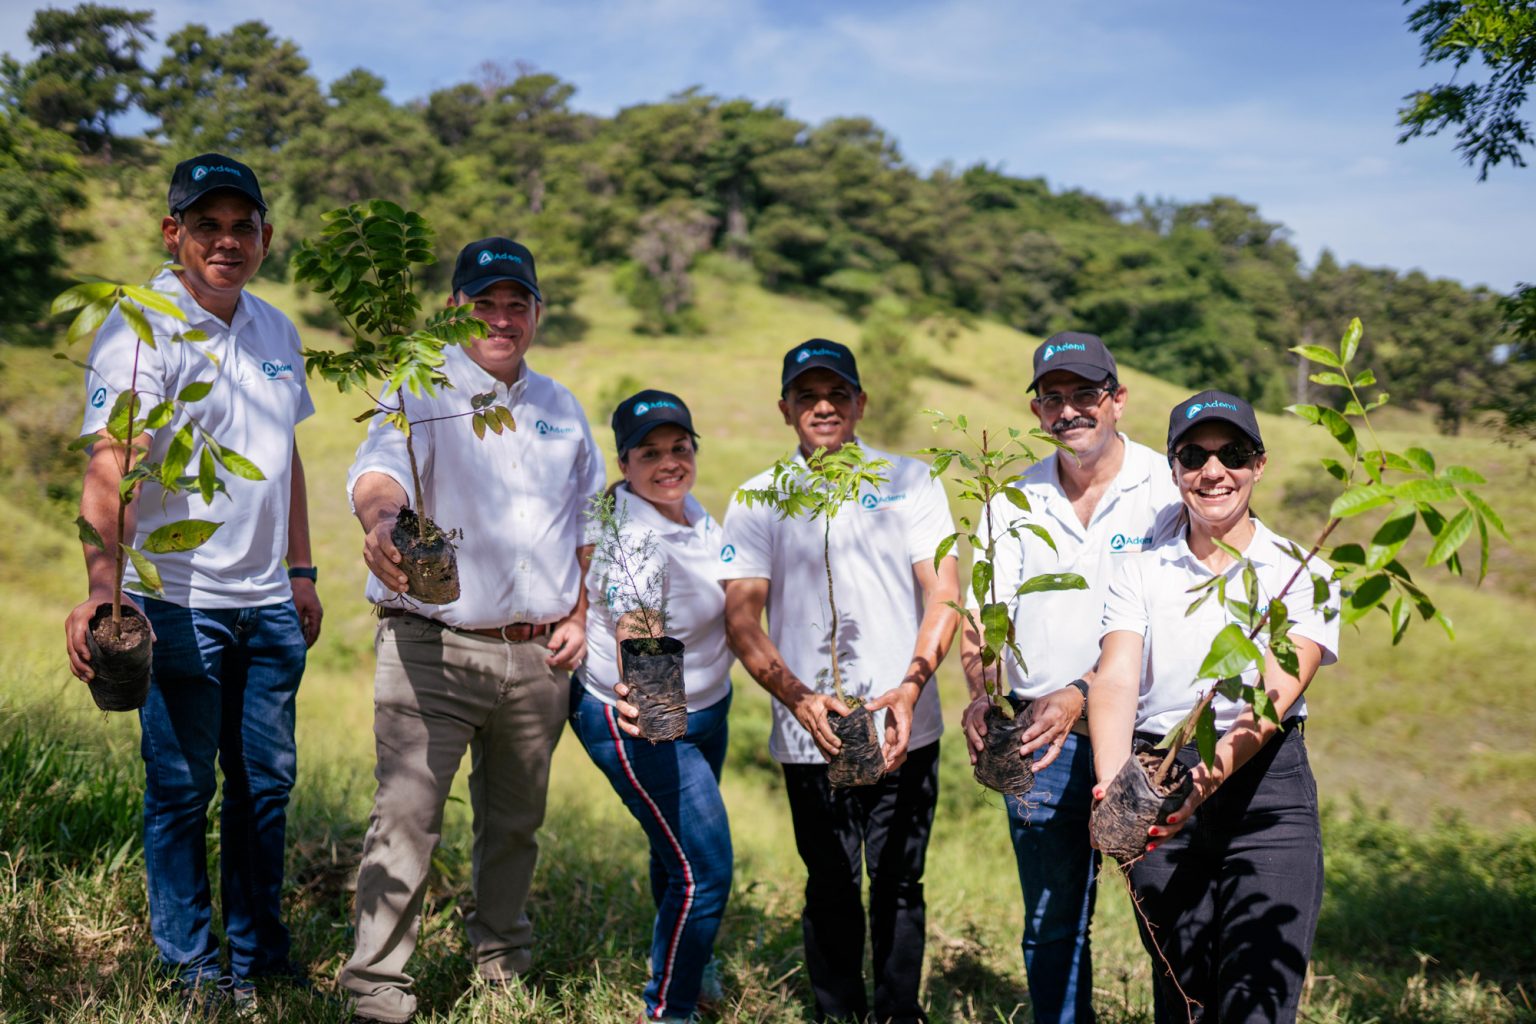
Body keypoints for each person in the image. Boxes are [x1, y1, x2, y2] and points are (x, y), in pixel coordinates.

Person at [63, 153, 322, 1006]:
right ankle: (192, 969)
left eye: (241, 225)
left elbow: (285, 460)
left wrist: (301, 570)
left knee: (267, 789)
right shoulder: (141, 330)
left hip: (268, 607)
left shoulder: (278, 330)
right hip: (180, 603)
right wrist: (107, 593)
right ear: (173, 234)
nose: (225, 241)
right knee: (182, 789)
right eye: (205, 225)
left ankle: (258, 959)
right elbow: (113, 469)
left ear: (266, 237)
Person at [339, 237, 604, 1024]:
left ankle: (501, 968)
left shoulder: (561, 406)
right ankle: (380, 988)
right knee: (408, 817)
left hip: (535, 657)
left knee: (516, 825)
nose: (500, 317)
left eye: (515, 303)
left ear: (535, 313)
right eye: (484, 302)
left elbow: (586, 518)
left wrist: (582, 611)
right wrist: (384, 520)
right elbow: (375, 471)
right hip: (434, 644)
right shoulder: (418, 387)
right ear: (455, 308)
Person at [720, 339, 960, 1024]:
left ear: (860, 403)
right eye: (807, 396)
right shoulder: (758, 497)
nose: (823, 407)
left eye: (837, 394)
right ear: (785, 408)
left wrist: (911, 687)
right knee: (829, 882)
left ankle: (896, 1012)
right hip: (810, 733)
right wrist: (799, 698)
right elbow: (742, 619)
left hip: (902, 726)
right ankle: (836, 1012)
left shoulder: (910, 481)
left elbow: (943, 593)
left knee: (898, 882)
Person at [1089, 391, 1340, 1023]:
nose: (1213, 471)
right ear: (1173, 471)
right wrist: (1118, 784)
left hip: (1266, 794)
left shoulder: (1300, 574)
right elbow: (1117, 679)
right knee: (1186, 998)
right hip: (1162, 780)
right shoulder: (1140, 570)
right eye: (1192, 456)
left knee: (1258, 996)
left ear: (1260, 464)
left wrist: (1208, 781)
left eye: (1232, 453)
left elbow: (1275, 696)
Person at [960, 332, 1180, 1023]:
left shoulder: (1166, 489)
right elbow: (982, 619)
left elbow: (1178, 623)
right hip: (1038, 744)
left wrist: (1083, 692)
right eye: (1053, 398)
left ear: (1117, 399)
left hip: (1146, 740)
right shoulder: (1011, 502)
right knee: (1053, 922)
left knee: (1167, 917)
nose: (1070, 410)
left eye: (1085, 394)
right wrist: (978, 692)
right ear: (1035, 411)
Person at [568, 390, 734, 1024]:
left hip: (709, 710)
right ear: (625, 462)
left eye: (679, 448)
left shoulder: (692, 512)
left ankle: (688, 958)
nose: (669, 463)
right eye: (651, 453)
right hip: (647, 721)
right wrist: (651, 699)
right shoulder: (631, 533)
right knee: (706, 870)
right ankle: (669, 1009)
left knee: (677, 856)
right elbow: (637, 622)